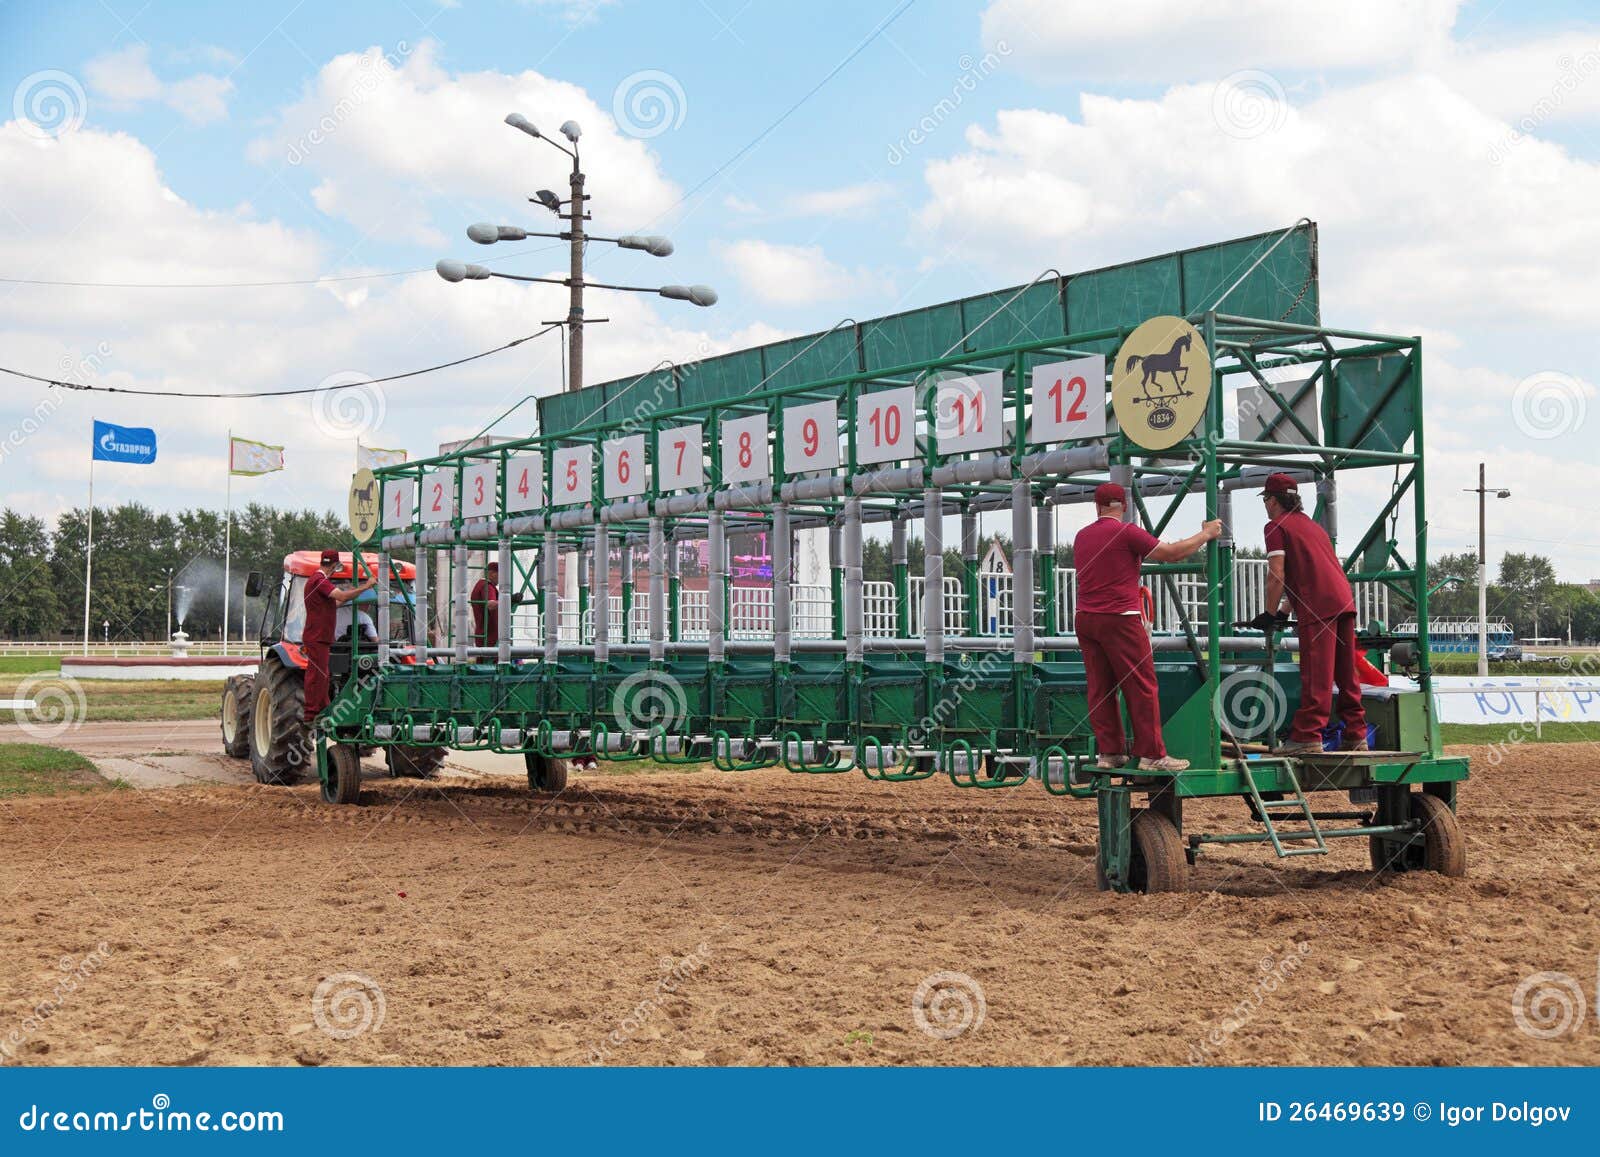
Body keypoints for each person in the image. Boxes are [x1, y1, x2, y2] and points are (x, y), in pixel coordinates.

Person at [1074, 482, 1222, 772]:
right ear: (1124, 506)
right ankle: (1151, 754)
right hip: (1121, 617)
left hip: (1086, 618)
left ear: (1097, 506)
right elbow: (1171, 553)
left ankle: (1110, 752)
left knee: (1101, 687)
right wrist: (1206, 534)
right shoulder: (1127, 532)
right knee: (1141, 685)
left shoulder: (1082, 536)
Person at [1252, 473, 1367, 755]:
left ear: (1273, 501)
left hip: (1318, 607)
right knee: (1346, 674)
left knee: (1317, 674)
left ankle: (1307, 736)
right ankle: (1356, 735)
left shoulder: (1275, 526)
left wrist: (1269, 614)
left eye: (1265, 499)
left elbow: (1276, 574)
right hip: (1343, 602)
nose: (1265, 505)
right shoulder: (1313, 527)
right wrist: (1283, 611)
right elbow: (1310, 570)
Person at [303, 549, 376, 726]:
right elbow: (341, 596)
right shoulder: (320, 580)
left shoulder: (316, 581)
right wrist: (366, 586)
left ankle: (324, 707)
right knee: (318, 675)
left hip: (320, 636)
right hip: (318, 636)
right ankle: (312, 713)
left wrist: (353, 592)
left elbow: (335, 603)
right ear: (334, 566)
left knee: (323, 674)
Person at [469, 561, 523, 652]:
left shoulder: (480, 585)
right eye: (500, 575)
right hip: (490, 636)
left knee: (483, 659)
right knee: (495, 659)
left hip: (484, 634)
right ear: (492, 573)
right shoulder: (487, 586)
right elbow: (491, 605)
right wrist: (510, 599)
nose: (501, 579)